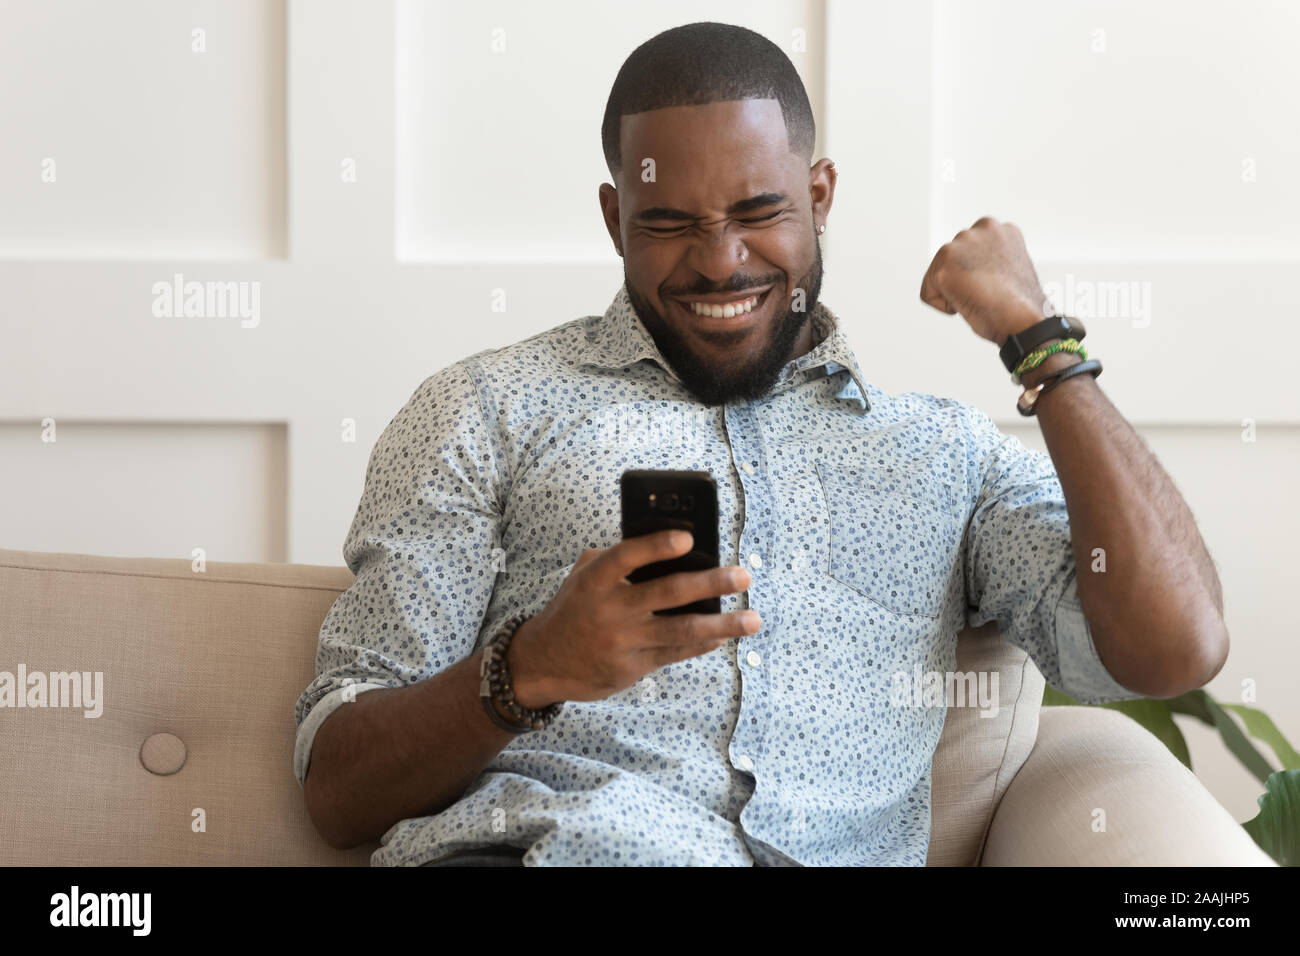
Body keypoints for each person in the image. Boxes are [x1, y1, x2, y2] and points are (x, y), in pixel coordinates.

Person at [293, 21, 1228, 866]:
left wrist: (1043, 344)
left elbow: (1173, 651)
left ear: (819, 195)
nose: (719, 262)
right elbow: (340, 789)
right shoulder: (483, 411)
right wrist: (528, 669)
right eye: (669, 225)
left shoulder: (943, 455)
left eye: (757, 213)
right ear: (617, 218)